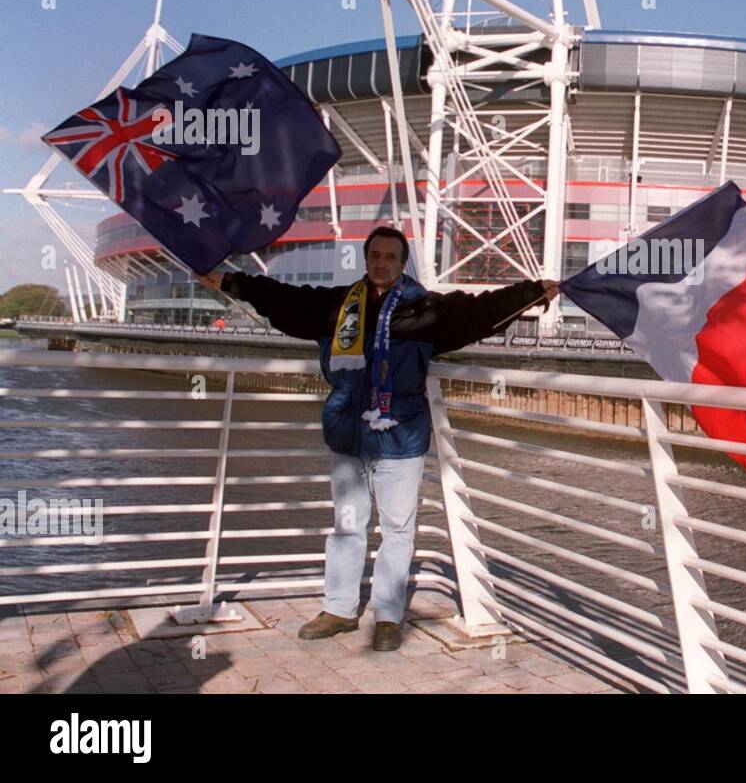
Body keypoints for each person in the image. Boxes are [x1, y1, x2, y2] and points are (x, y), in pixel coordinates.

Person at [197, 226, 560, 651]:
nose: (381, 263)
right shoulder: (338, 307)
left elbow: (480, 312)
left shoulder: (425, 311)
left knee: (397, 528)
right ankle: (339, 609)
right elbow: (285, 299)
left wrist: (534, 293)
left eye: (390, 256)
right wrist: (231, 281)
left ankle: (388, 615)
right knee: (347, 526)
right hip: (349, 433)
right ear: (366, 259)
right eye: (375, 255)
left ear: (402, 263)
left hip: (401, 435)